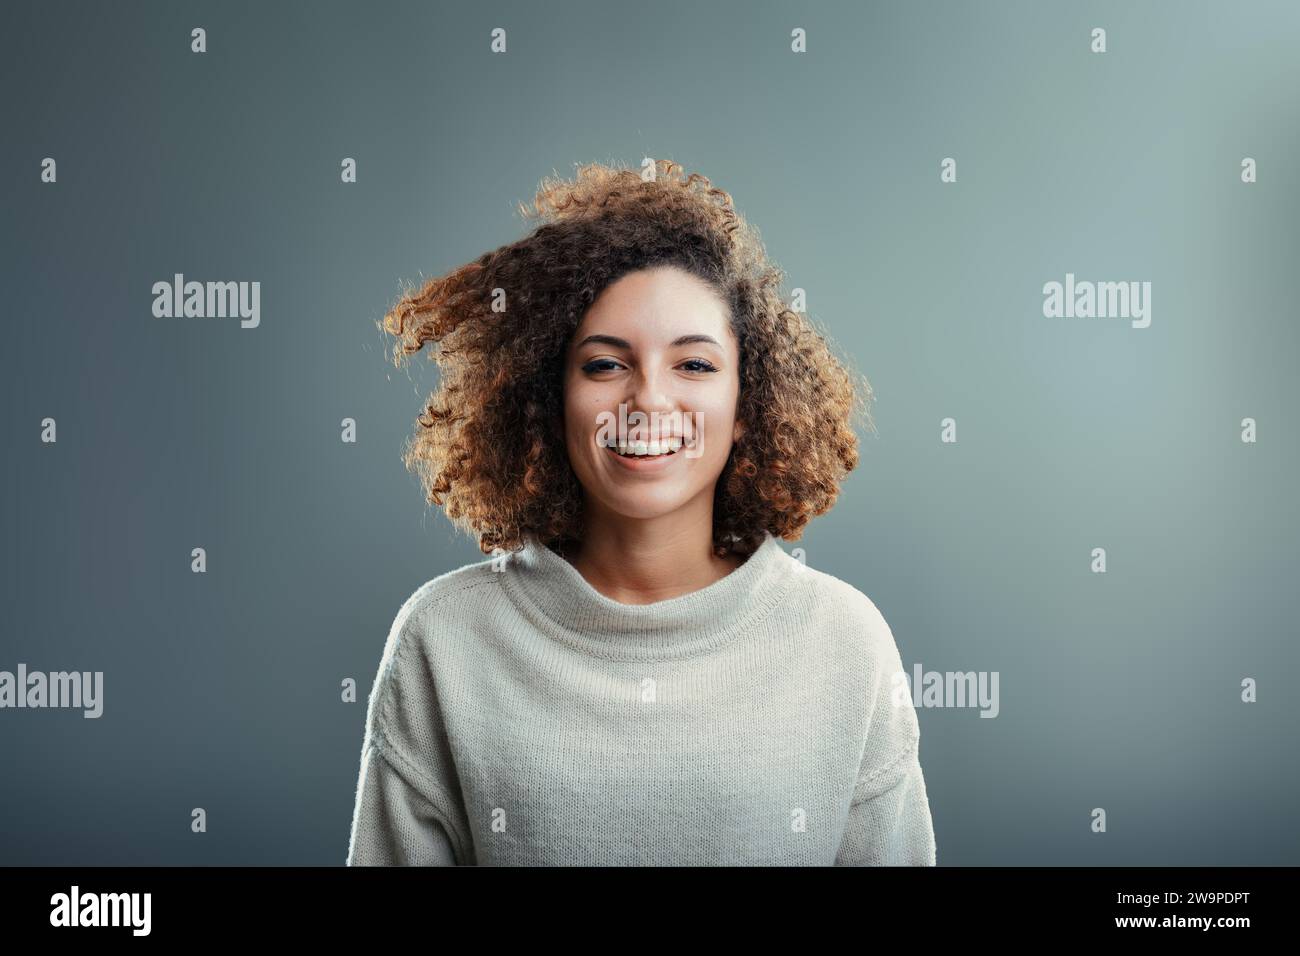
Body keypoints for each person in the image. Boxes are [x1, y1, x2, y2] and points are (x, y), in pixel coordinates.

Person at [346, 159, 936, 865]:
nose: (649, 400)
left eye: (694, 365)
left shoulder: (845, 642)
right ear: (549, 398)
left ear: (746, 405)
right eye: (604, 365)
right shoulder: (444, 640)